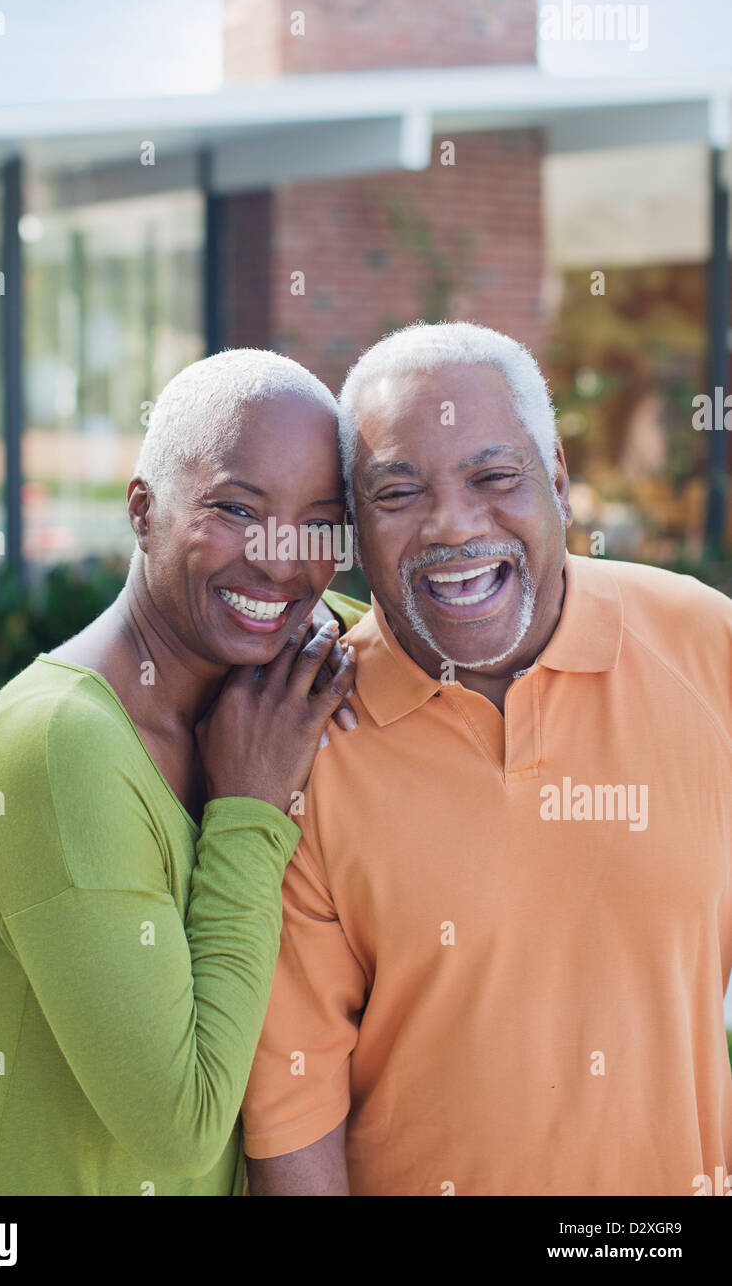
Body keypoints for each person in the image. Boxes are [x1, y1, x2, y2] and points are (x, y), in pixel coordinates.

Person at [242, 320, 732, 1196]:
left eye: (494, 478)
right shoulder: (303, 739)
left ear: (558, 485)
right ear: (355, 528)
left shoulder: (706, 644)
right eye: (398, 493)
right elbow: (294, 1109)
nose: (454, 526)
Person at [0, 349, 364, 1196]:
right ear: (142, 510)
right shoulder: (58, 747)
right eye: (235, 509)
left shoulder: (282, 676)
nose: (282, 560)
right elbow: (178, 1131)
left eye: (319, 522)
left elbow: (448, 640)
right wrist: (250, 808)